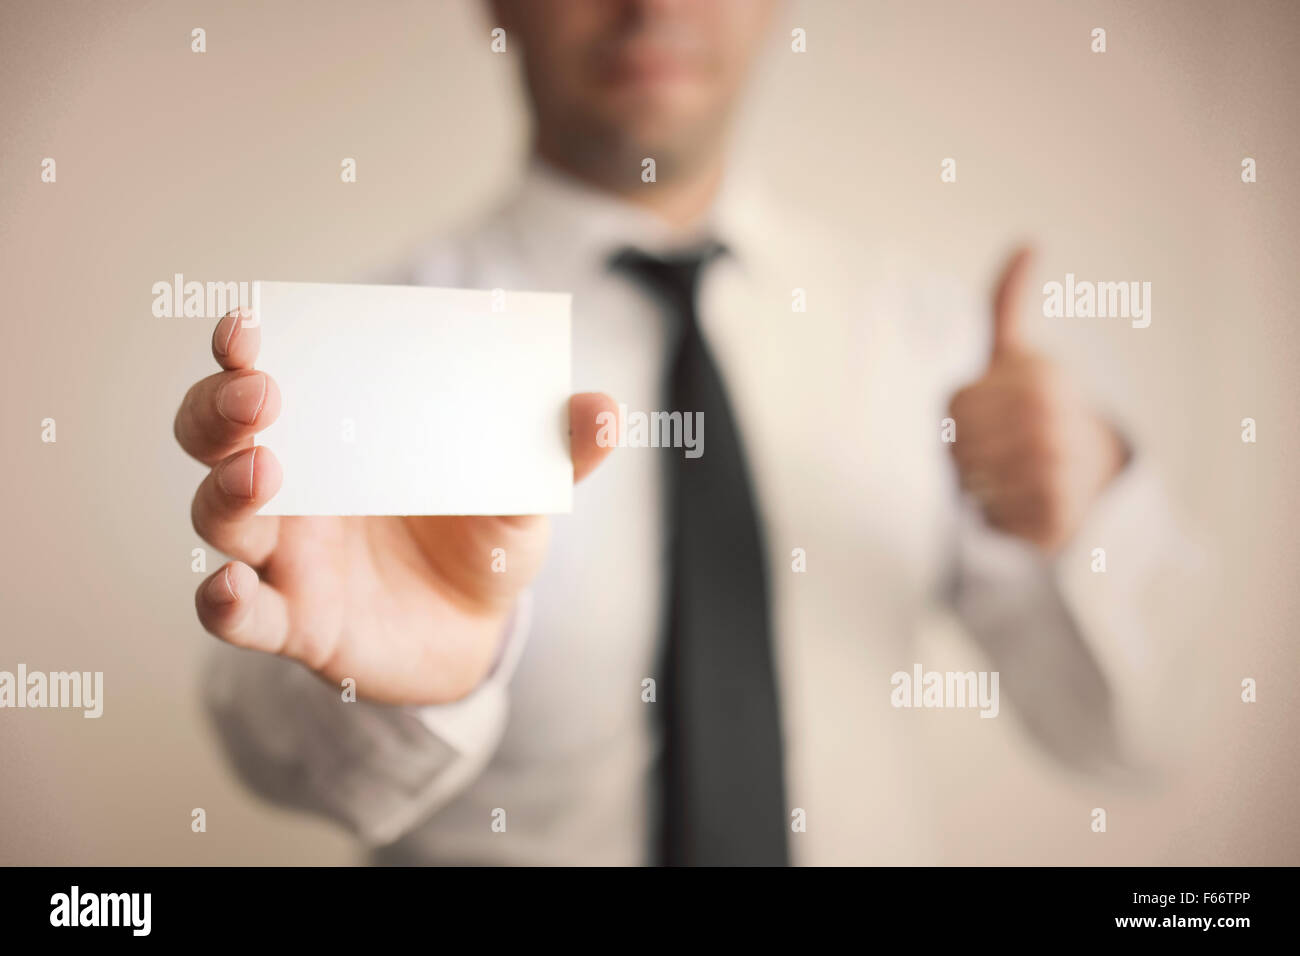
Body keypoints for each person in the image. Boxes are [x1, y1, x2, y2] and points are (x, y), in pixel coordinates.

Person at [178, 0, 1183, 865]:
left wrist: (1098, 511)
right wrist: (395, 691)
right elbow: (270, 745)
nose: (650, 1)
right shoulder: (376, 349)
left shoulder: (929, 341)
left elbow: (1135, 740)